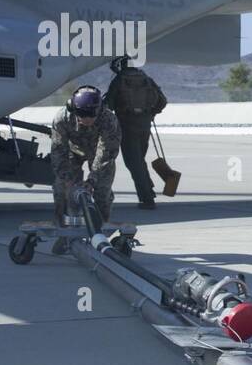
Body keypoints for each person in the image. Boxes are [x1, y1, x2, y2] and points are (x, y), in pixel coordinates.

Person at [49, 85, 121, 254]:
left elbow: (106, 153)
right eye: (82, 115)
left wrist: (92, 180)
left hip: (99, 152)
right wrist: (67, 179)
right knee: (61, 190)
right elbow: (58, 151)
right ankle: (64, 234)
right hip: (73, 152)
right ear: (73, 109)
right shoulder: (62, 118)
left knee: (102, 192)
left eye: (91, 115)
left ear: (99, 110)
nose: (87, 119)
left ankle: (99, 235)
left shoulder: (108, 120)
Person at [104, 57, 167, 210]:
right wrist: (150, 113)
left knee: (134, 163)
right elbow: (162, 101)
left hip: (127, 126)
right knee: (139, 161)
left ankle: (147, 199)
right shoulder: (146, 79)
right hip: (144, 125)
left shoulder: (119, 80)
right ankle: (149, 191)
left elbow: (109, 105)